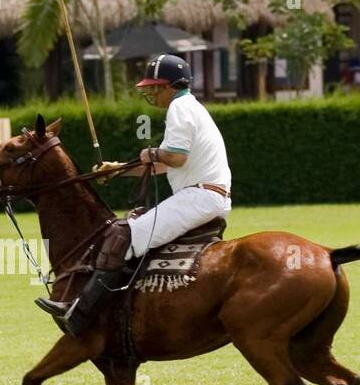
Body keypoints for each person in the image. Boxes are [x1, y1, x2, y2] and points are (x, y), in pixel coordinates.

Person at [35, 54, 231, 337]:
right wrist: (119, 170)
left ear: (171, 86)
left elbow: (174, 157)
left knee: (122, 235)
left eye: (155, 87)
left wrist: (150, 152)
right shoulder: (190, 107)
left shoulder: (180, 108)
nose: (150, 93)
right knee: (133, 225)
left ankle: (79, 310)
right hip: (202, 196)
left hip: (199, 197)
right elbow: (162, 166)